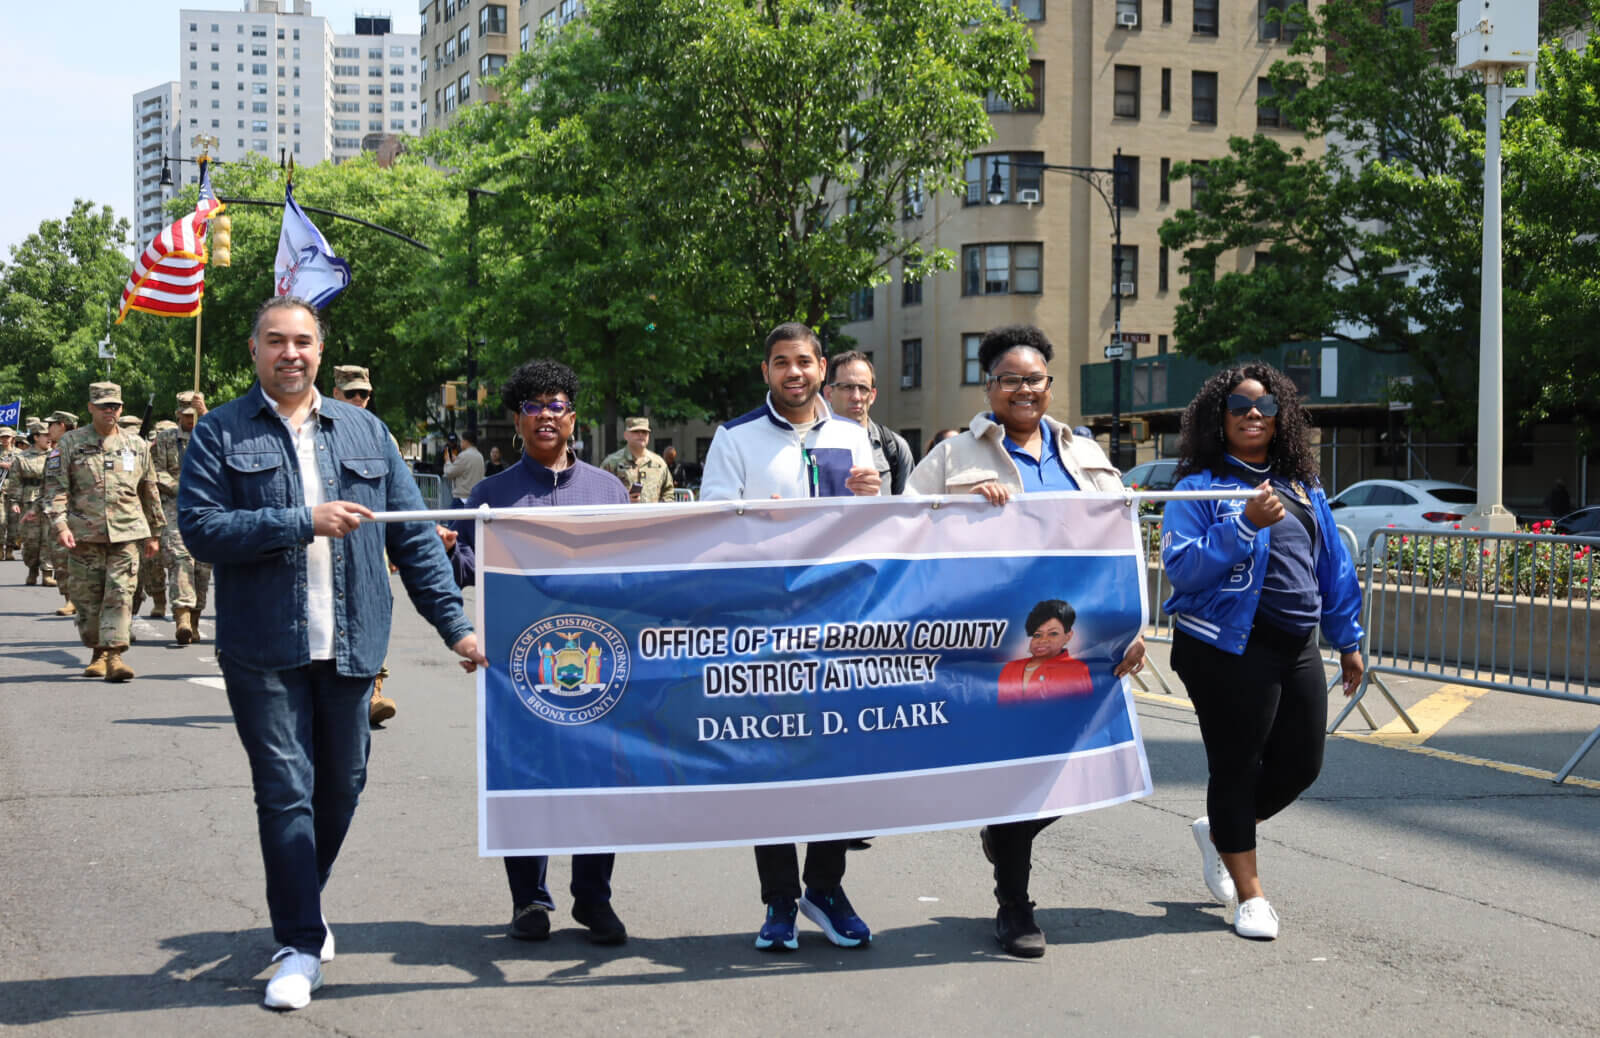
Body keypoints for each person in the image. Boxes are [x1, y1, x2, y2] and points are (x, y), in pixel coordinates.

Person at [178, 296, 486, 1011]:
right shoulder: (220, 432)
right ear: (254, 351)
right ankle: (298, 944)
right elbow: (200, 529)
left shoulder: (366, 430)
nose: (291, 353)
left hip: (351, 645)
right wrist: (301, 521)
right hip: (263, 648)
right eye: (276, 341)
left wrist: (456, 629)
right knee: (285, 792)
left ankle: (301, 907)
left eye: (304, 342)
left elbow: (413, 539)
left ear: (320, 351)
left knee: (341, 788)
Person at [906, 323, 1144, 959]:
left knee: (1078, 768)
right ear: (989, 386)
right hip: (991, 653)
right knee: (1014, 774)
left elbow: (1119, 551)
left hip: (1077, 646)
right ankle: (1014, 904)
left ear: (1049, 385)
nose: (1023, 389)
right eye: (1010, 379)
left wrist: (1135, 631)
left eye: (1034, 379)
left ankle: (1004, 835)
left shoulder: (1087, 455)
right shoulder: (954, 457)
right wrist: (958, 513)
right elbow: (900, 531)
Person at [1161, 363, 1364, 942]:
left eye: (1267, 407)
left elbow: (1333, 568)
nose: (1255, 414)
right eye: (1241, 406)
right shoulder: (1197, 488)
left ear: (1282, 422)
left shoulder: (1304, 488)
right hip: (1224, 647)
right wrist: (1244, 525)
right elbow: (1184, 570)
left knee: (1303, 764)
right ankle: (1251, 897)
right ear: (1217, 419)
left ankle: (1222, 829)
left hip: (1297, 645)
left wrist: (1346, 638)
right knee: (1236, 765)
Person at [699, 321, 881, 952]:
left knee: (835, 758)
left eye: (804, 361)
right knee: (770, 763)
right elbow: (714, 526)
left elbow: (871, 532)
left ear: (822, 366)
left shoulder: (853, 435)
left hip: (838, 624)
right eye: (782, 363)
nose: (794, 373)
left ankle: (824, 888)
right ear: (767, 372)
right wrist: (760, 522)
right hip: (764, 628)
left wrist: (872, 496)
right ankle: (778, 899)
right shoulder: (735, 437)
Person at [441, 357, 631, 948]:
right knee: (523, 779)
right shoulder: (490, 497)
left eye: (556, 405)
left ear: (572, 418)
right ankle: (529, 899)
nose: (545, 416)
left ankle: (593, 898)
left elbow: (635, 573)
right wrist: (448, 548)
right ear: (517, 421)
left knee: (599, 780)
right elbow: (470, 571)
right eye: (532, 406)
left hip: (601, 663)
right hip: (520, 665)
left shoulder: (610, 489)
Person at [43, 383, 164, 681]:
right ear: (91, 408)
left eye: (115, 406)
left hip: (127, 533)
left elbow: (149, 490)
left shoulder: (136, 445)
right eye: (104, 406)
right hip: (83, 534)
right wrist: (60, 525)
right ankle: (97, 651)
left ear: (121, 409)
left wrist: (154, 532)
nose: (110, 411)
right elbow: (55, 489)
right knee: (87, 598)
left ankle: (114, 655)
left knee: (121, 594)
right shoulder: (70, 443)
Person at [328, 365, 398, 727]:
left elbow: (399, 499)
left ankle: (375, 690)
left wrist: (398, 547)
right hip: (326, 546)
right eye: (351, 393)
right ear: (335, 393)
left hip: (371, 547)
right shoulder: (314, 433)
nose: (359, 399)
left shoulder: (380, 436)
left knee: (375, 608)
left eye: (364, 394)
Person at [150, 392, 213, 644]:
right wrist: (180, 486)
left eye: (194, 415)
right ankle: (182, 617)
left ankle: (195, 620)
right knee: (180, 558)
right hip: (174, 507)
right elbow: (154, 470)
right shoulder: (165, 440)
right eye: (186, 415)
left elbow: (230, 448)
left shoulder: (210, 434)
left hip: (207, 508)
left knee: (203, 566)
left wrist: (206, 414)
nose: (191, 420)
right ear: (178, 415)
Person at [823, 350, 914, 494]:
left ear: (872, 396)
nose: (857, 397)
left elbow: (907, 511)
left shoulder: (894, 447)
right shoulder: (812, 443)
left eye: (863, 388)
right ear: (828, 393)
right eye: (847, 387)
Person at [997, 599, 1093, 702]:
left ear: (1068, 636)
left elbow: (1084, 710)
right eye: (1037, 635)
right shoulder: (1010, 668)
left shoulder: (1077, 670)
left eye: (1053, 634)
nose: (1043, 640)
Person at [8, 421, 54, 585]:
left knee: (49, 538)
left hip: (50, 502)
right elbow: (15, 481)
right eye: (45, 435)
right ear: (35, 437)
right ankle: (32, 570)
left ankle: (48, 572)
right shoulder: (22, 458)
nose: (49, 438)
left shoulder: (55, 455)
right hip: (29, 501)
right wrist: (14, 501)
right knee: (31, 540)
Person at [599, 417, 676, 502]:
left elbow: (668, 492)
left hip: (653, 515)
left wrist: (661, 511)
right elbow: (600, 494)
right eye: (635, 431)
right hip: (625, 515)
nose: (641, 435)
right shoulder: (611, 463)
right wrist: (623, 500)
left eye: (644, 432)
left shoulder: (659, 463)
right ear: (626, 435)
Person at [442, 429, 485, 507]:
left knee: (453, 519)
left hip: (462, 499)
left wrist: (447, 461)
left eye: (461, 440)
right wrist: (457, 460)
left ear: (466, 441)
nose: (460, 443)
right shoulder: (480, 456)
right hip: (475, 498)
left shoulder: (464, 455)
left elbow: (449, 473)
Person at [0, 426, 18, 561]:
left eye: (7, 437)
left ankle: (10, 549)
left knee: (13, 522)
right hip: (0, 491)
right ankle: (0, 548)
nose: (5, 439)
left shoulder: (20, 453)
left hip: (14, 490)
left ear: (12, 438)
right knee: (1, 521)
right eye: (2, 437)